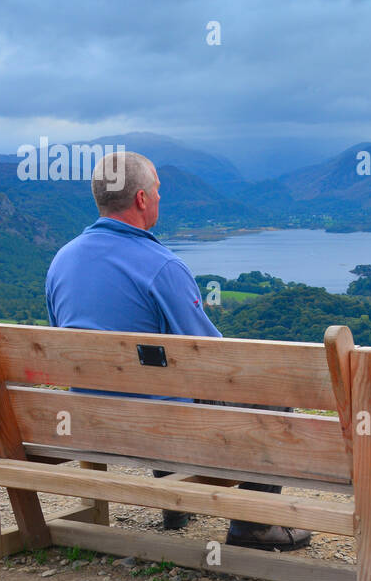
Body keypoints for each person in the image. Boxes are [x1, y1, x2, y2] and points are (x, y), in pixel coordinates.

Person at [45, 150, 310, 551]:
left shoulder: (61, 262)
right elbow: (212, 361)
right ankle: (253, 526)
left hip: (88, 419)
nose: (160, 198)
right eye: (158, 190)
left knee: (157, 384)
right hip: (157, 427)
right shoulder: (163, 267)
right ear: (141, 199)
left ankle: (175, 506)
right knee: (272, 395)